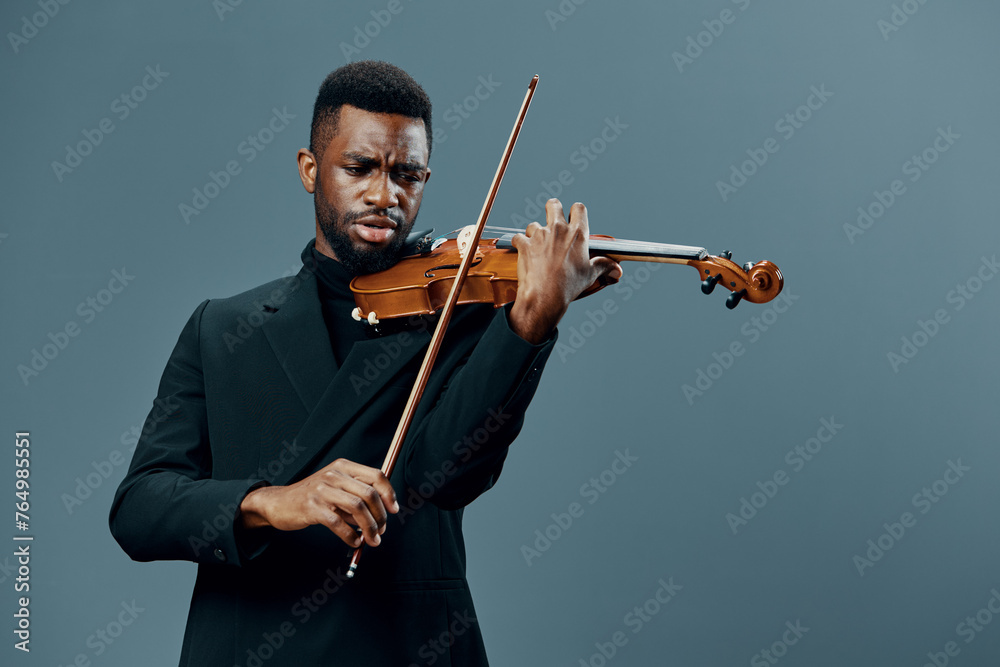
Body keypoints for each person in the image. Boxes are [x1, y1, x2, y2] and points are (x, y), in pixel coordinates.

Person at [109, 60, 621, 666]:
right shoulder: (222, 329)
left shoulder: (464, 315)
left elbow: (448, 477)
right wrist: (274, 501)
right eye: (360, 168)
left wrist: (530, 324)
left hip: (410, 644)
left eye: (408, 174)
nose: (385, 195)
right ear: (310, 170)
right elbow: (139, 508)